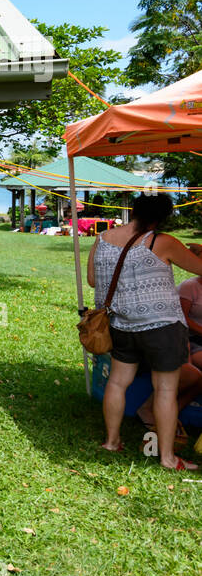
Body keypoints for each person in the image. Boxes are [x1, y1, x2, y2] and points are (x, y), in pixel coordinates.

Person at [89, 193, 202, 469]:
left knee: (117, 382)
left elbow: (93, 281)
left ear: (134, 210)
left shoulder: (102, 239)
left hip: (121, 324)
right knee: (165, 389)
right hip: (162, 326)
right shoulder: (162, 241)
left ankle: (111, 442)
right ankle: (166, 458)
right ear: (162, 218)